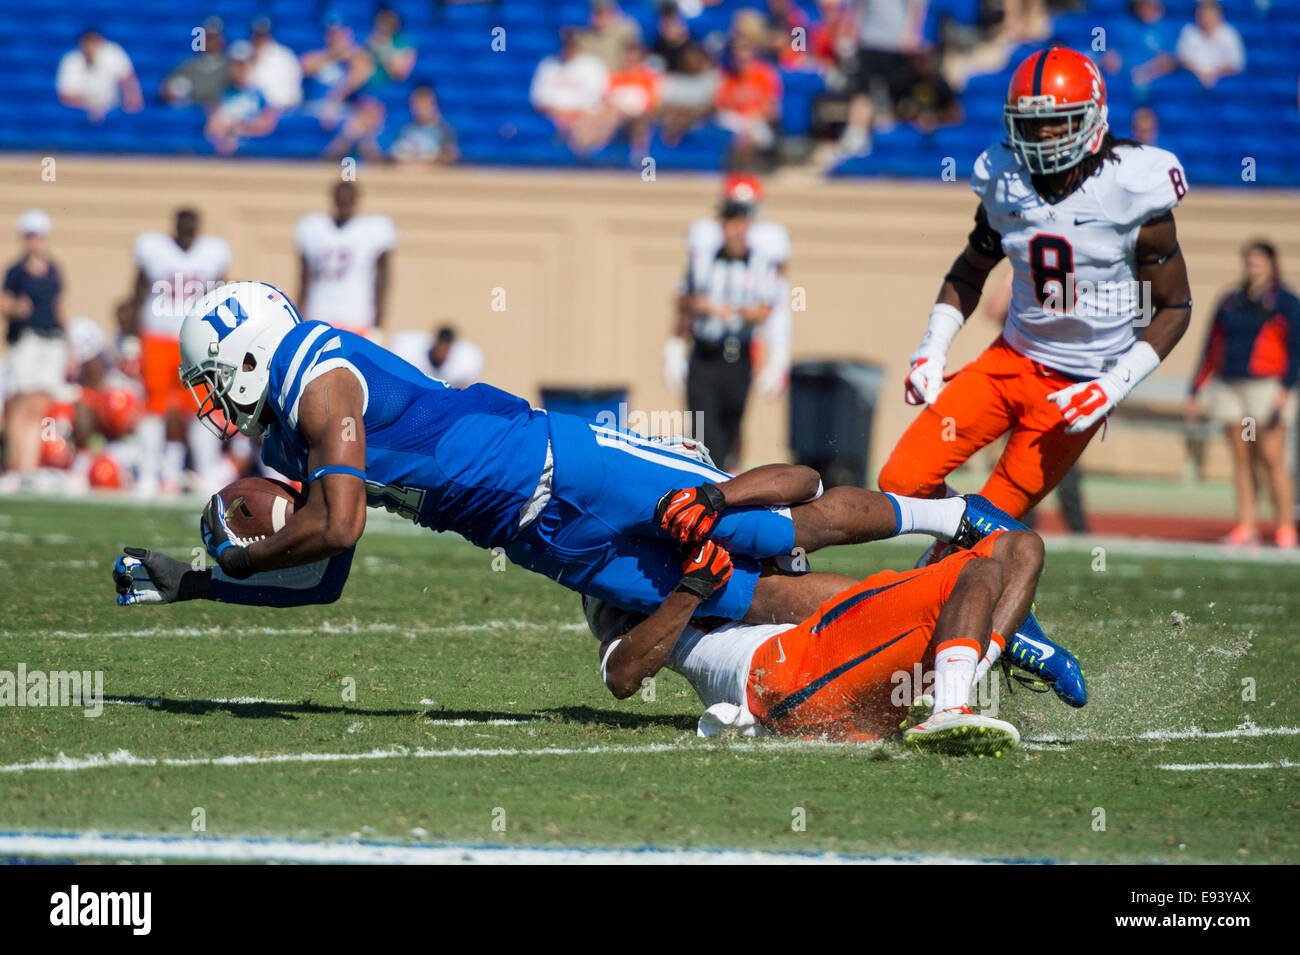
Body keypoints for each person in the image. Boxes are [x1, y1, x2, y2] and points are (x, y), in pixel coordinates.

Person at [112, 281, 1038, 631]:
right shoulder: (286, 429)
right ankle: (935, 625)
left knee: (770, 524)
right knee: (754, 595)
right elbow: (323, 577)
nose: (207, 400)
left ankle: (956, 519)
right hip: (544, 540)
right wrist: (197, 581)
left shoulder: (321, 383)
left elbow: (337, 522)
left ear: (242, 355)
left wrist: (239, 551)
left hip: (571, 462)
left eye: (208, 378)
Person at [877, 48, 1193, 535]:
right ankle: (957, 535)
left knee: (983, 533)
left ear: (1093, 118)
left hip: (1079, 385)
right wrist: (931, 350)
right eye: (1032, 122)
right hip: (1009, 361)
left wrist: (1112, 386)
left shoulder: (1132, 187)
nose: (1043, 135)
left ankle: (956, 557)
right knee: (900, 482)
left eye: (1058, 121)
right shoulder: (1003, 179)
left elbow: (1174, 308)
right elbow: (970, 270)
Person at [587, 525, 1060, 752]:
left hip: (837, 683)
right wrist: (693, 586)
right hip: (784, 673)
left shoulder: (736, 564)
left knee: (1021, 547)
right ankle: (952, 701)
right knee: (976, 570)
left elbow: (833, 600)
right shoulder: (622, 578)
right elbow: (622, 675)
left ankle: (957, 682)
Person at [1187, 241, 1300, 548]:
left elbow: (1296, 349)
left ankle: (1285, 527)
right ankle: (1246, 525)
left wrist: (1286, 388)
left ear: (1272, 264)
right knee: (1241, 459)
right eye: (1248, 261)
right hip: (1230, 387)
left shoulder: (1285, 301)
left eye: (1258, 261)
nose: (1252, 267)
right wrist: (1195, 389)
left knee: (1272, 457)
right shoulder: (1230, 300)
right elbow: (1211, 344)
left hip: (1266, 387)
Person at [666, 182, 784, 470]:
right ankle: (710, 487)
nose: (729, 228)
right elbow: (683, 298)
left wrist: (734, 312)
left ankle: (728, 483)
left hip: (737, 355)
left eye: (735, 221)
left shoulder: (760, 265)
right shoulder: (703, 259)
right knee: (705, 429)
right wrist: (676, 342)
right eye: (726, 221)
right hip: (705, 354)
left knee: (733, 425)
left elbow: (766, 309)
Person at [127, 208, 230, 496]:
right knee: (153, 408)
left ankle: (206, 472)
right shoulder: (154, 250)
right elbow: (138, 293)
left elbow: (220, 296)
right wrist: (132, 337)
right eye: (182, 226)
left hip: (194, 341)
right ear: (175, 226)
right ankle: (147, 475)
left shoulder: (213, 253)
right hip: (157, 337)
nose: (186, 231)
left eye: (191, 226)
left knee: (201, 408)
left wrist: (222, 338)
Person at [1, 210, 66, 482]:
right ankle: (15, 466)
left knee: (39, 405)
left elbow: (61, 307)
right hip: (26, 340)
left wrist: (69, 341)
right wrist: (17, 308)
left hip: (50, 341)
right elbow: (5, 302)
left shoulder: (53, 271)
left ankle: (29, 468)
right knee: (21, 402)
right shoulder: (16, 272)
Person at [295, 181, 397, 340]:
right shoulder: (314, 228)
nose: (344, 205)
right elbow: (304, 278)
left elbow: (382, 278)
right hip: (319, 314)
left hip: (357, 317)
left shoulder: (372, 230)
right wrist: (299, 316)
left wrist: (379, 320)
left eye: (348, 200)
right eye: (341, 200)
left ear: (356, 200)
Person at [205, 41, 282, 155]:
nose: (239, 70)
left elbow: (267, 125)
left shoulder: (259, 94)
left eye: (243, 65)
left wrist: (242, 127)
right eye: (235, 65)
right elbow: (213, 127)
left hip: (255, 154)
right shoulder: (220, 94)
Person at [56, 28, 143, 121]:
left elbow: (128, 80)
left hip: (113, 110)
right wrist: (93, 105)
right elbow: (66, 96)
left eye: (93, 44)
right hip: (81, 111)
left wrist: (132, 103)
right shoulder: (70, 60)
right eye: (87, 44)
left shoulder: (113, 53)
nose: (90, 48)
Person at [161, 16, 230, 110]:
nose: (211, 42)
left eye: (214, 38)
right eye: (208, 38)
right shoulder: (189, 66)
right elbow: (166, 89)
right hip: (192, 111)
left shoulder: (231, 66)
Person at [1175, 0, 1244, 89]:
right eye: (1202, 15)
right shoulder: (1189, 31)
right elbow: (1181, 59)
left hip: (1223, 83)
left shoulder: (1230, 34)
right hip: (1192, 81)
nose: (1206, 19)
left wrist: (1214, 75)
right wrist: (1199, 75)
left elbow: (1236, 64)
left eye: (1208, 15)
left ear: (1218, 16)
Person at [390, 324, 483, 387]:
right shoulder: (409, 349)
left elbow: (460, 389)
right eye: (440, 347)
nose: (442, 352)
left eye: (446, 348)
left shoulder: (465, 363)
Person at [388, 85, 458, 165]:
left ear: (434, 105)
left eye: (425, 104)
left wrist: (425, 164)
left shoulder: (444, 130)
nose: (420, 108)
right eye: (416, 104)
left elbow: (450, 156)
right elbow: (394, 154)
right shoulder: (405, 129)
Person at [249, 17, 303, 111]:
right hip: (257, 111)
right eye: (258, 35)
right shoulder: (246, 57)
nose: (260, 39)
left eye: (263, 35)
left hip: (285, 110)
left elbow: (294, 93)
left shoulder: (285, 56)